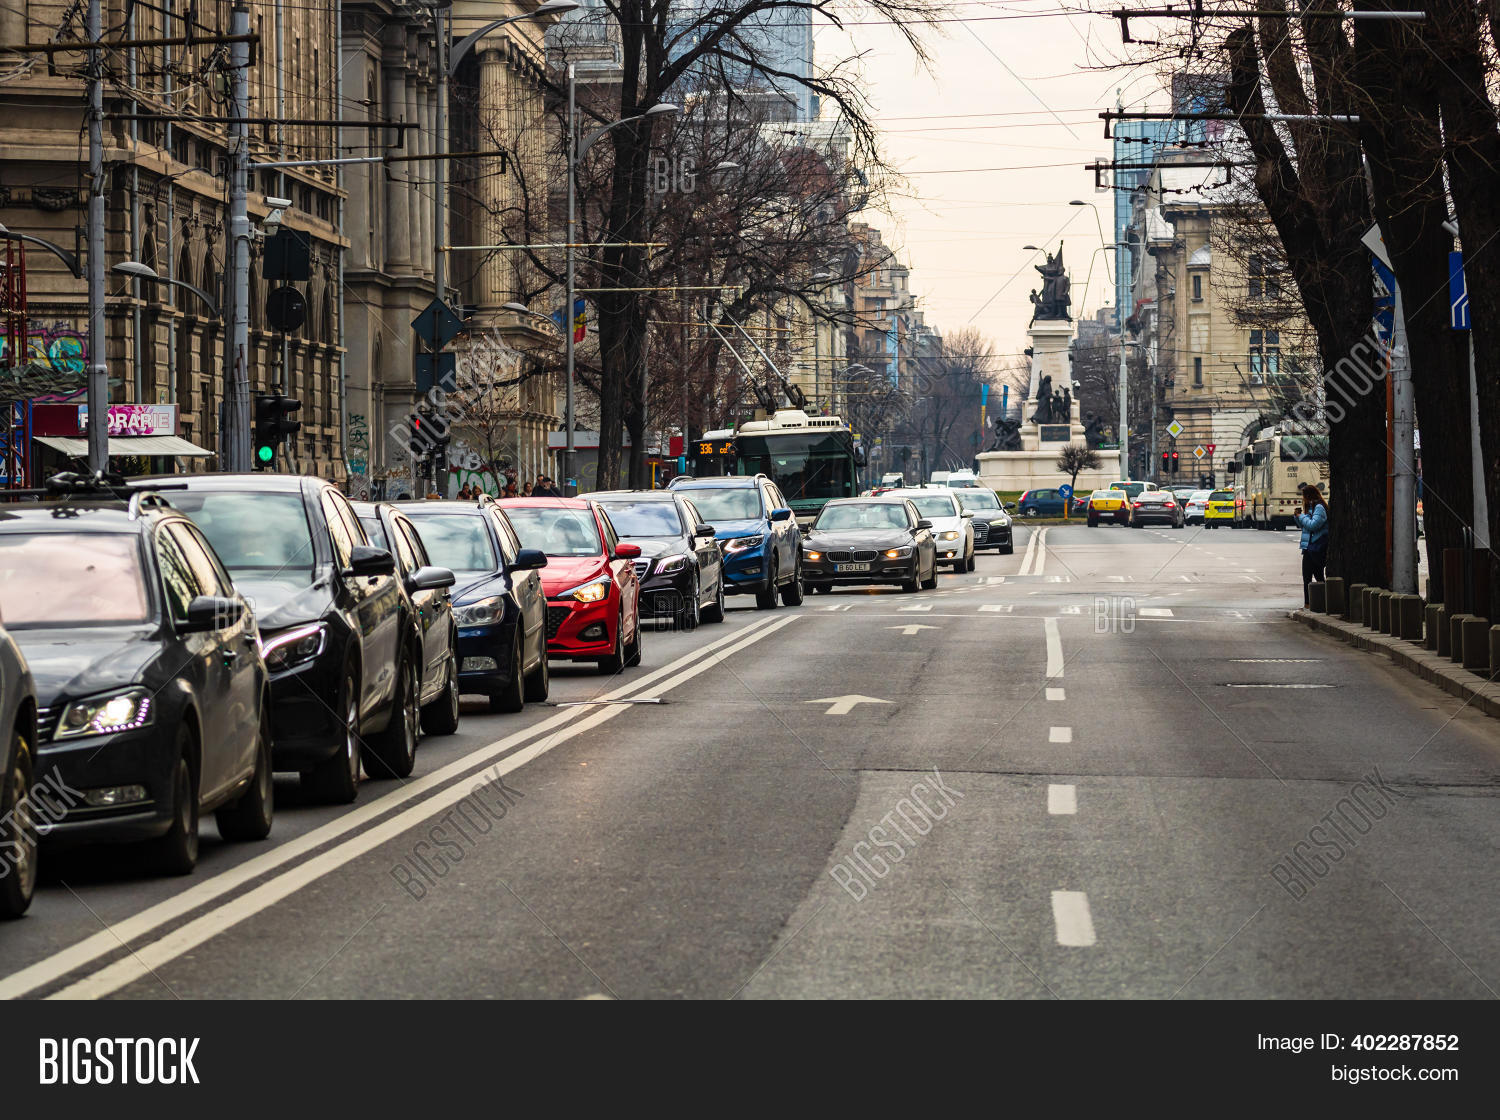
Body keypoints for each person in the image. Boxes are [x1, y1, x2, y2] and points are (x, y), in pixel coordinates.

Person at [1293, 483, 1329, 608]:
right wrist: (1298, 517)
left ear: (1309, 495)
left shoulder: (1319, 507)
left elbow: (1313, 525)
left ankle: (1322, 602)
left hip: (1317, 547)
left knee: (1317, 576)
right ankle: (1309, 603)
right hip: (1309, 547)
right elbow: (1304, 526)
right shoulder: (1311, 507)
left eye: (1304, 496)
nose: (1303, 499)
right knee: (1307, 577)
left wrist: (1301, 516)